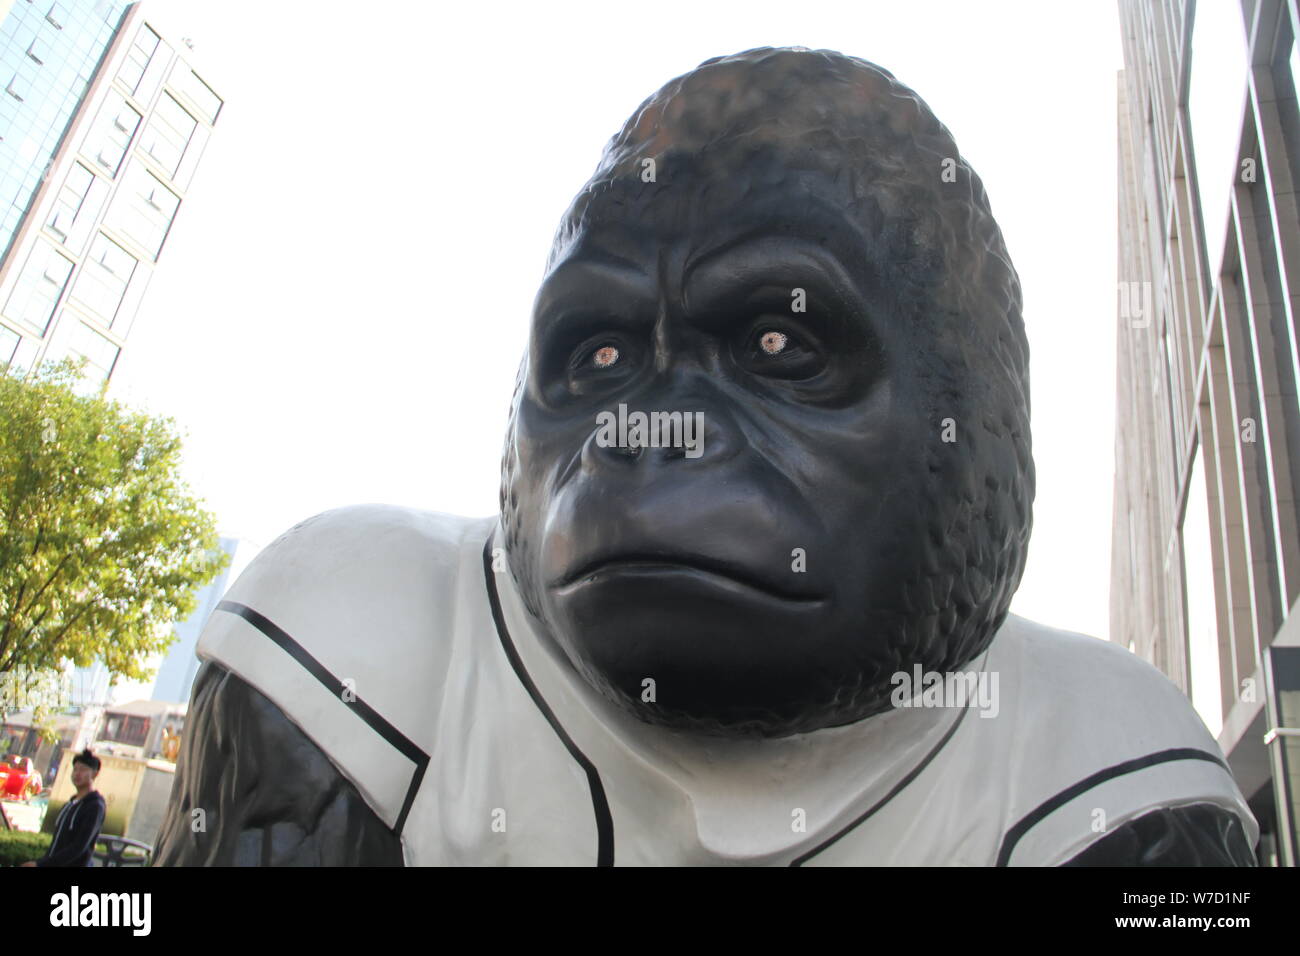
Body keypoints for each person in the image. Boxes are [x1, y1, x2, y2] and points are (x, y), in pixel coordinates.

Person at [21, 749, 106, 867]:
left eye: (83, 769)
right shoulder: (70, 804)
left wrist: (41, 864)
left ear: (95, 774)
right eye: (75, 769)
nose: (77, 773)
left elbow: (79, 847)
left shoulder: (95, 806)